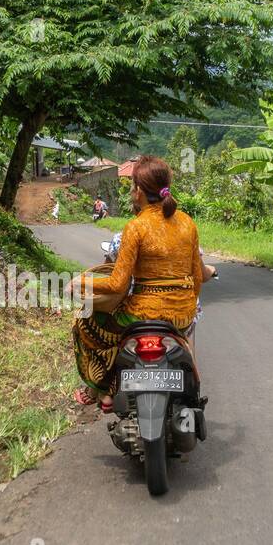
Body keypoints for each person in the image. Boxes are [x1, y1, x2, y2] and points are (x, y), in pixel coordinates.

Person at [71, 156, 203, 408]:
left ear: (139, 190)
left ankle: (102, 389)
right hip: (183, 315)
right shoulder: (188, 223)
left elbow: (118, 285)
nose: (132, 192)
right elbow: (197, 278)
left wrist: (82, 282)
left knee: (85, 323)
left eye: (133, 186)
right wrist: (186, 304)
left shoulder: (136, 226)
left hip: (142, 314)